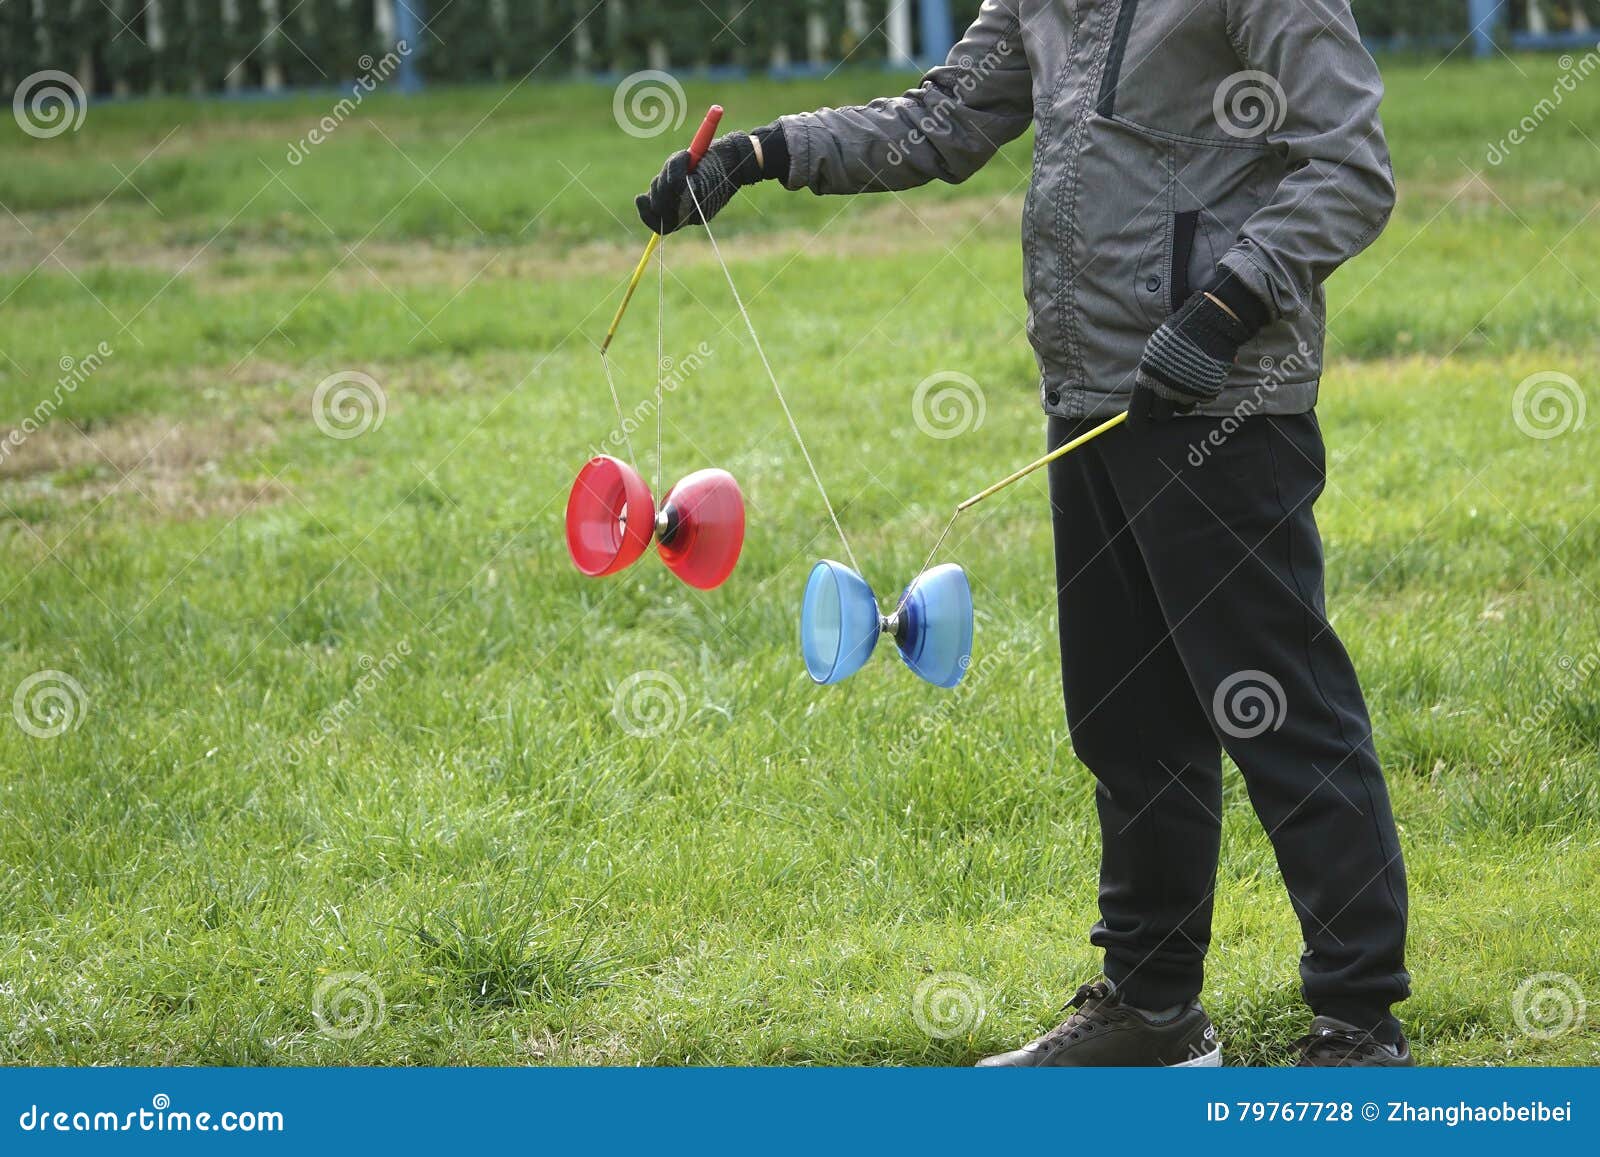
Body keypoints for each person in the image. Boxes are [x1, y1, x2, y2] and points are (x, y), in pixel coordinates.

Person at [636, 0, 1411, 1067]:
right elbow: (944, 119)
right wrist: (762, 155)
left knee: (1278, 706)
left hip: (1225, 404)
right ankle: (1151, 1009)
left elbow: (1350, 167)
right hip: (1088, 395)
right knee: (1124, 717)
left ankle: (1358, 1018)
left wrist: (1228, 308)